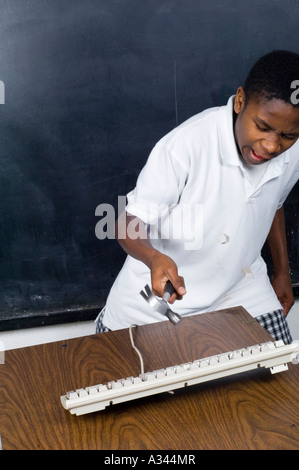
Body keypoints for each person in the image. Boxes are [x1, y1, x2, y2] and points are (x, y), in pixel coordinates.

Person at [95, 50, 299, 344]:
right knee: (148, 388)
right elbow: (128, 221)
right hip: (159, 302)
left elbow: (273, 201)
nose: (270, 145)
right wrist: (153, 258)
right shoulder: (187, 145)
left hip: (242, 286)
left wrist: (282, 272)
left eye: (287, 136)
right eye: (262, 127)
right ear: (240, 101)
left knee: (283, 379)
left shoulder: (291, 151)